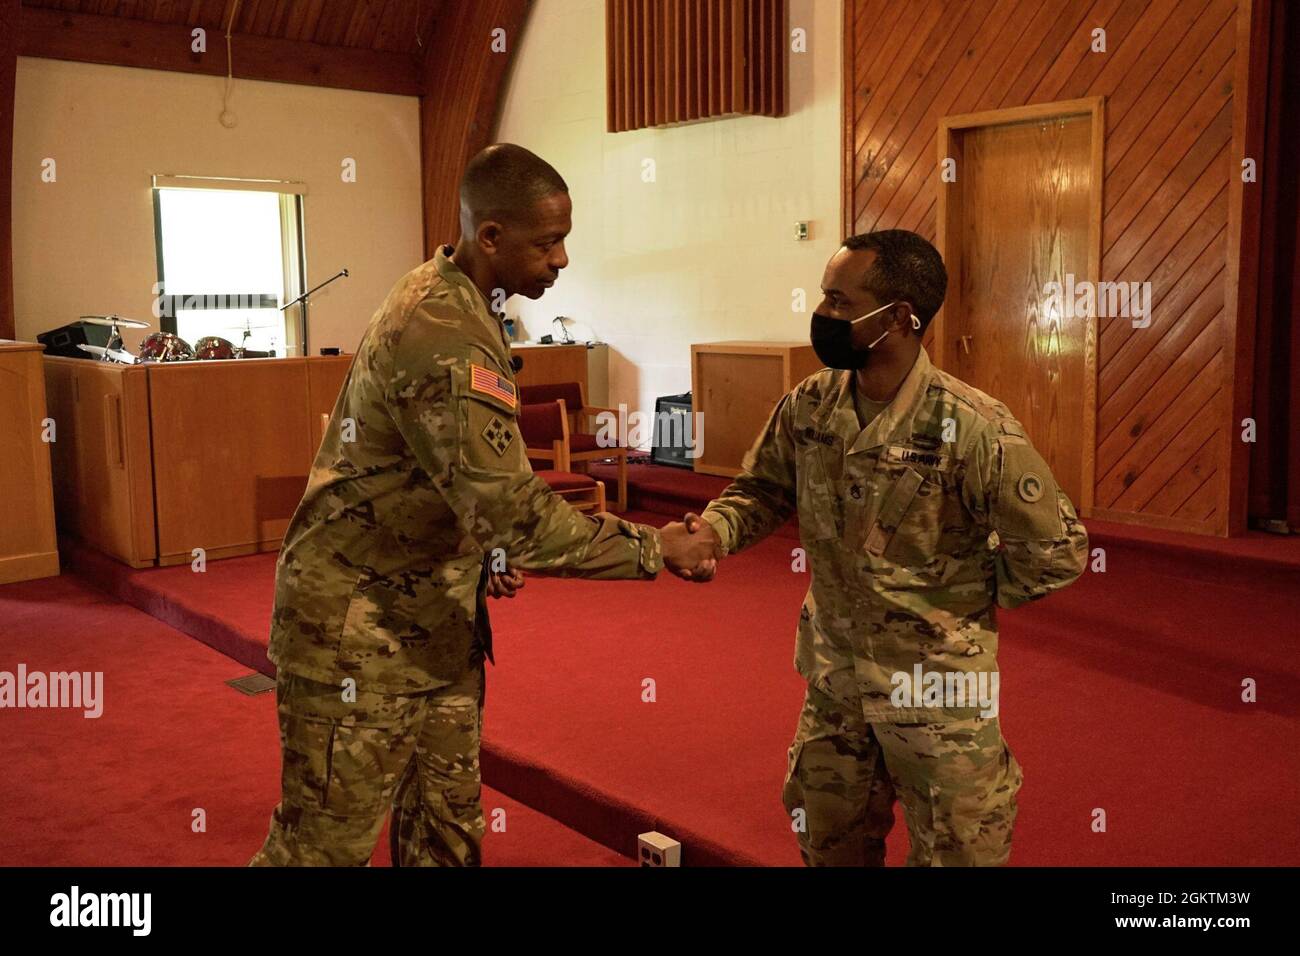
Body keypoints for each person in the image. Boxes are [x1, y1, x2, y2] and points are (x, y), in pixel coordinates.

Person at [250, 143, 715, 867]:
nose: (562, 260)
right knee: (320, 850)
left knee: (446, 832)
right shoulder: (443, 330)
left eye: (565, 239)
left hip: (432, 617)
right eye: (548, 242)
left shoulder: (467, 303)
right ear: (489, 236)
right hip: (357, 634)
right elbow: (513, 513)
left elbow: (450, 481)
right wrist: (659, 547)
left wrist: (479, 553)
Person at [677, 229, 1088, 866]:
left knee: (958, 854)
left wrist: (953, 605)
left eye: (840, 302)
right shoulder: (811, 406)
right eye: (824, 297)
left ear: (898, 318)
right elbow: (761, 489)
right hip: (835, 682)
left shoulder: (971, 426)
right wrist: (715, 533)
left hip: (937, 694)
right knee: (828, 843)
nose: (822, 315)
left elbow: (1056, 549)